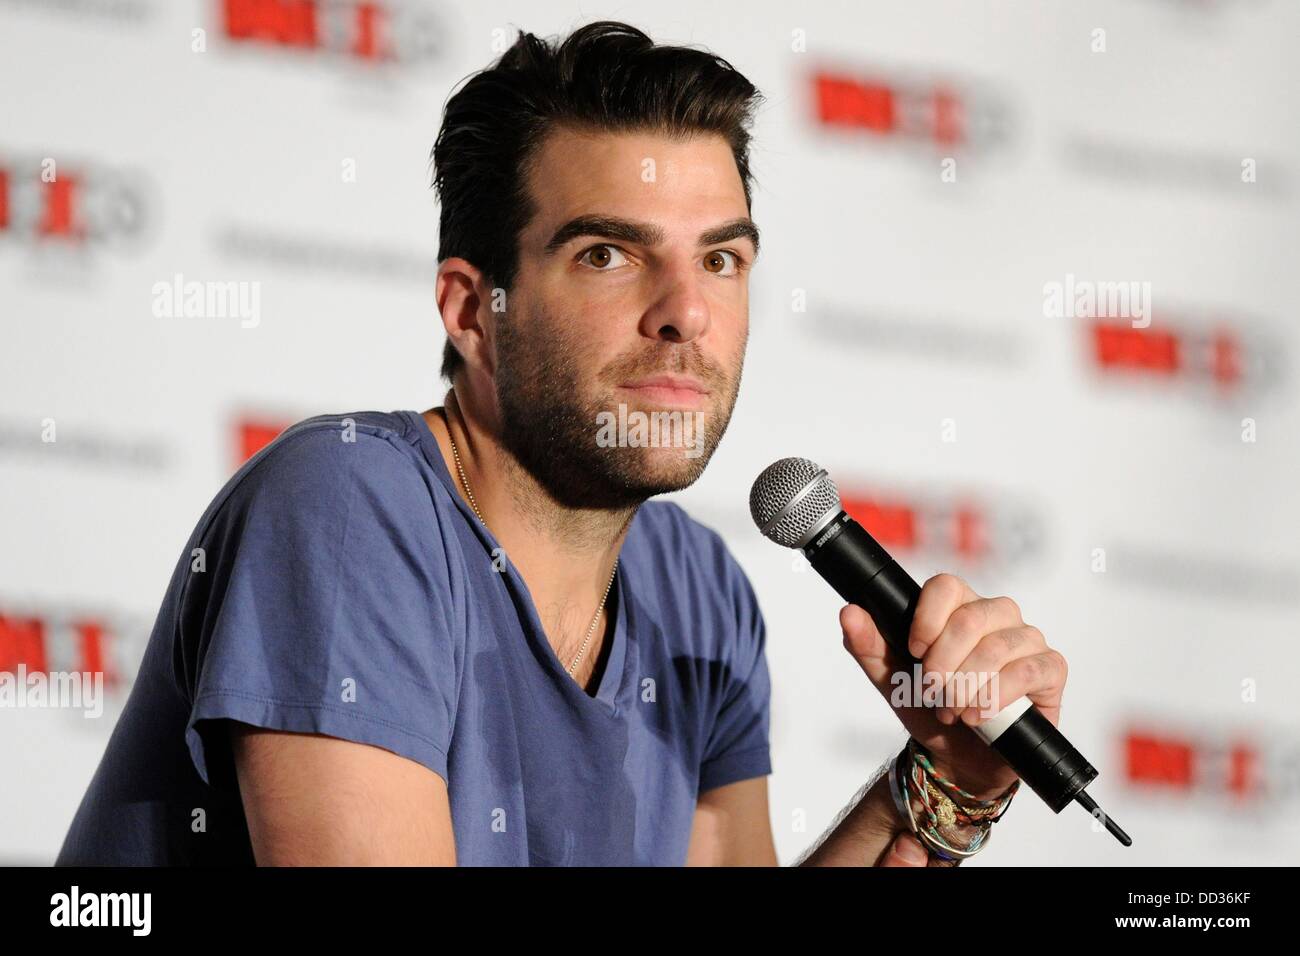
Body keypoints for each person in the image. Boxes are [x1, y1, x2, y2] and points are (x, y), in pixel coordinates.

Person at [55, 20, 1068, 867]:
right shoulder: (348, 508)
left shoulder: (697, 590)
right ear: (471, 309)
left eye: (720, 257)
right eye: (607, 254)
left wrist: (943, 784)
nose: (685, 313)